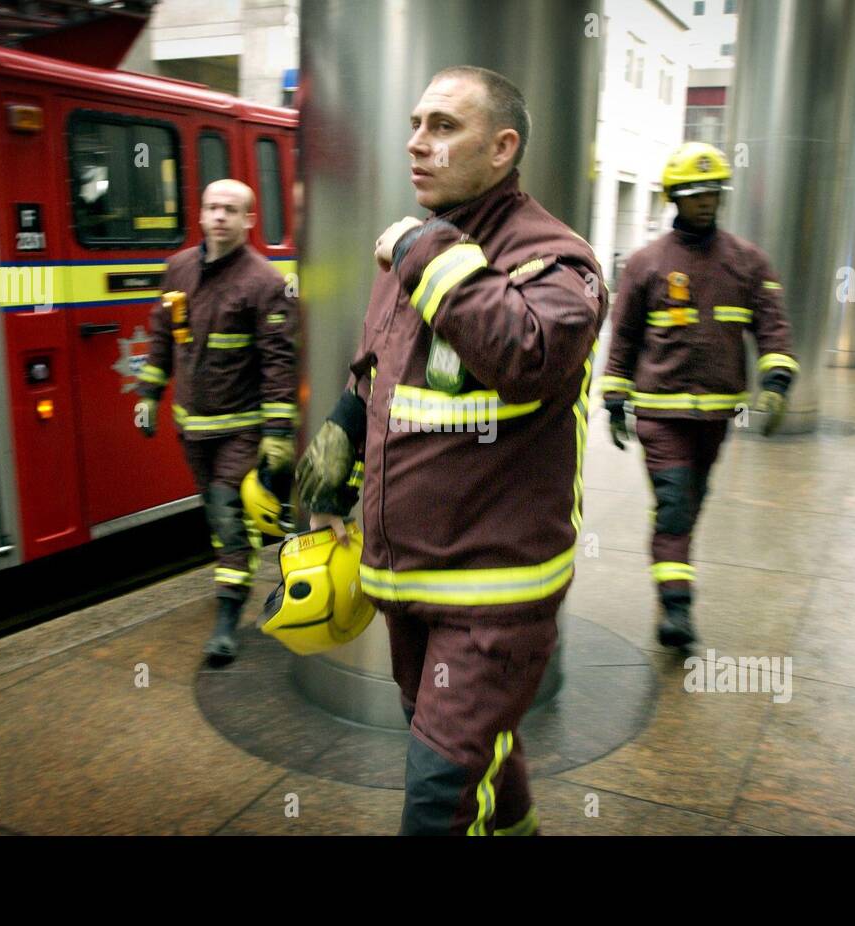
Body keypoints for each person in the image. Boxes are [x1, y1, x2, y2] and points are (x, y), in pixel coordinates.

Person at [295, 66, 606, 835]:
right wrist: (340, 432)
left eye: (442, 126)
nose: (415, 143)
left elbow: (526, 352)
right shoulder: (417, 253)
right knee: (470, 753)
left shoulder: (558, 261)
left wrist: (425, 250)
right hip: (408, 576)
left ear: (503, 148)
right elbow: (385, 372)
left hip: (496, 593)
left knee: (437, 790)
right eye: (415, 124)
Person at [598, 142, 798, 650]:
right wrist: (615, 401)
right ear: (674, 198)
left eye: (712, 192)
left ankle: (673, 563)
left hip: (716, 415)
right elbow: (622, 339)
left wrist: (775, 385)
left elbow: (773, 328)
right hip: (660, 412)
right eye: (694, 193)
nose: (705, 202)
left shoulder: (749, 263)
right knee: (674, 505)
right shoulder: (646, 264)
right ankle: (677, 609)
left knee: (689, 503)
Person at [134, 179, 299, 664]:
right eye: (212, 207)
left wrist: (277, 435)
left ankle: (228, 617)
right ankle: (242, 570)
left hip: (241, 428)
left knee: (227, 514)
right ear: (201, 215)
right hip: (194, 427)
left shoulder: (265, 283)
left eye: (231, 209)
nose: (220, 216)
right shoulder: (177, 269)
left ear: (249, 220)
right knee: (216, 512)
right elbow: (163, 336)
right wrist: (148, 393)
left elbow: (278, 364)